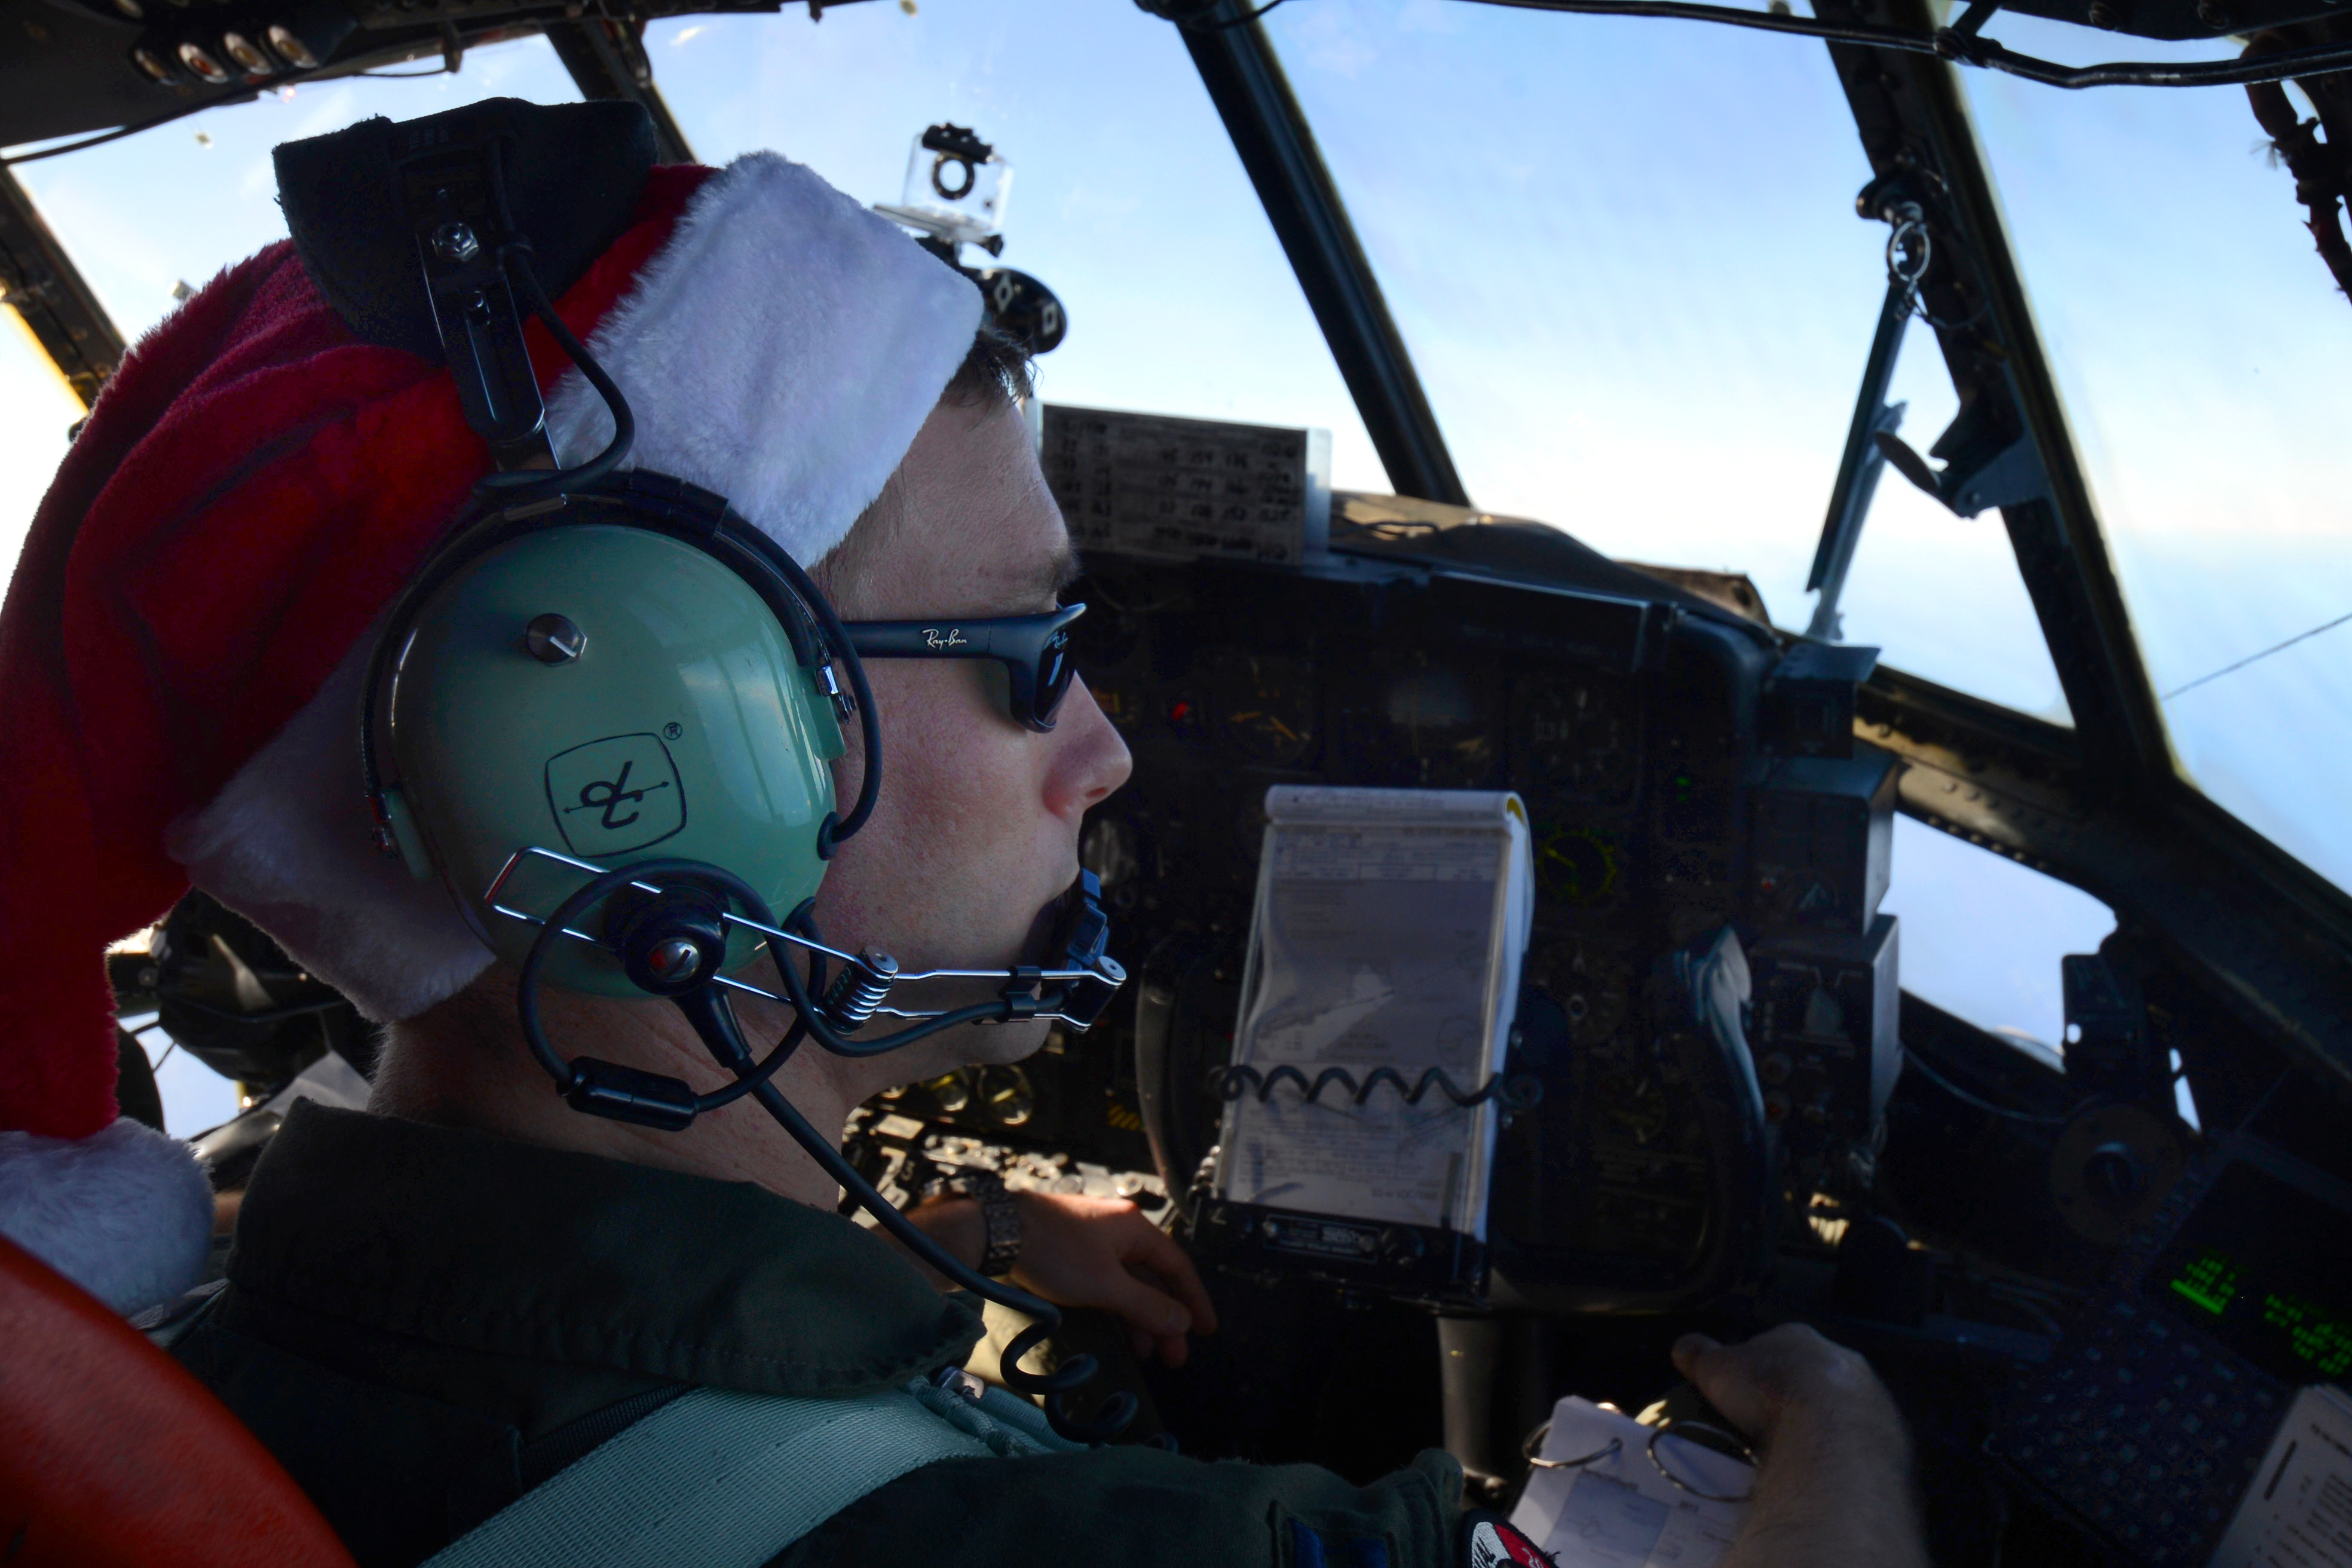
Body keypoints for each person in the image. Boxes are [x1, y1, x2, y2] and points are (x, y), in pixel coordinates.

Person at [0, 99, 1928, 1568]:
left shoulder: (213, 1338)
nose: (1101, 753)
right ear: (642, 753)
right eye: (1029, 650)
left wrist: (954, 1242)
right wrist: (1845, 1432)